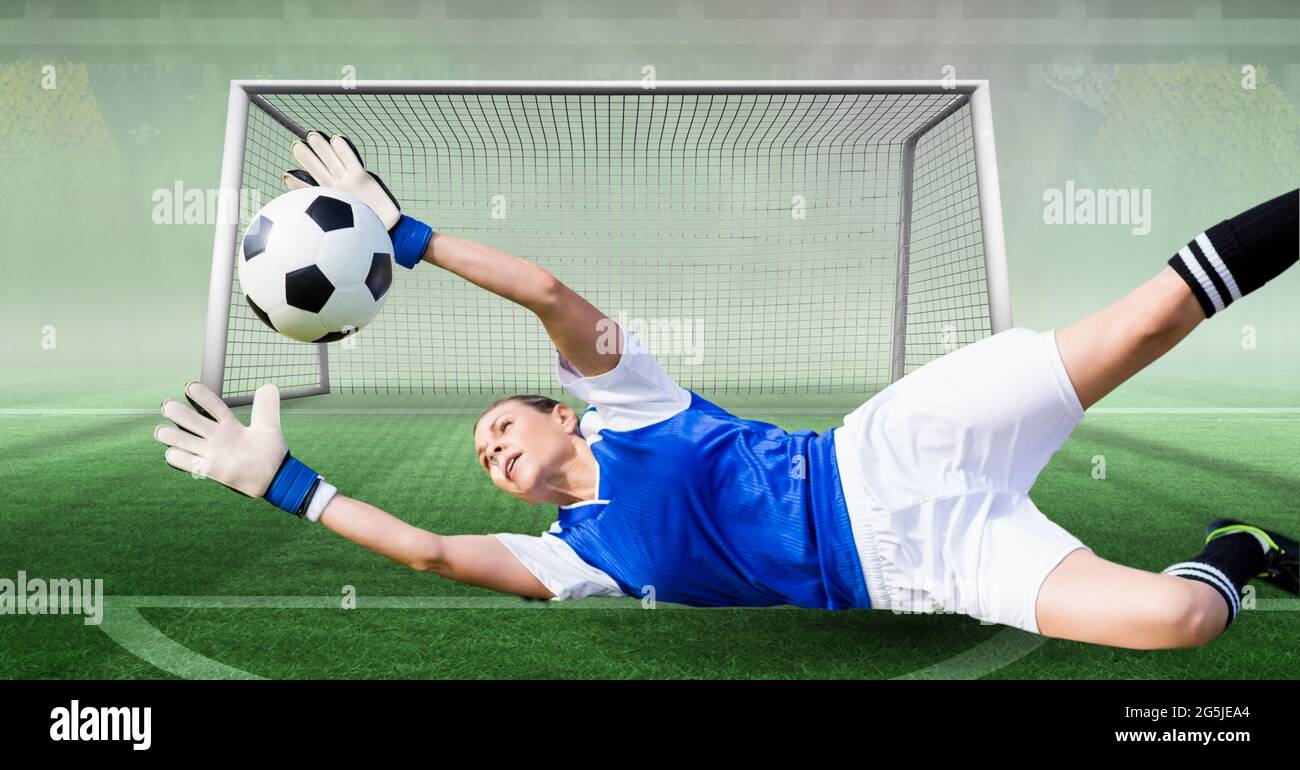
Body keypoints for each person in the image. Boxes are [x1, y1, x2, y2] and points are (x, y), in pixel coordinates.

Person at [156, 132, 1298, 650]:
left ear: (560, 409)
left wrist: (405, 231)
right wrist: (286, 483)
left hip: (889, 449)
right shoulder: (580, 554)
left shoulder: (634, 402)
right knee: (1180, 619)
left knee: (1151, 313)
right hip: (922, 566)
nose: (488, 448)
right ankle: (1239, 539)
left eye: (499, 422)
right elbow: (429, 552)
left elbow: (550, 293)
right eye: (482, 457)